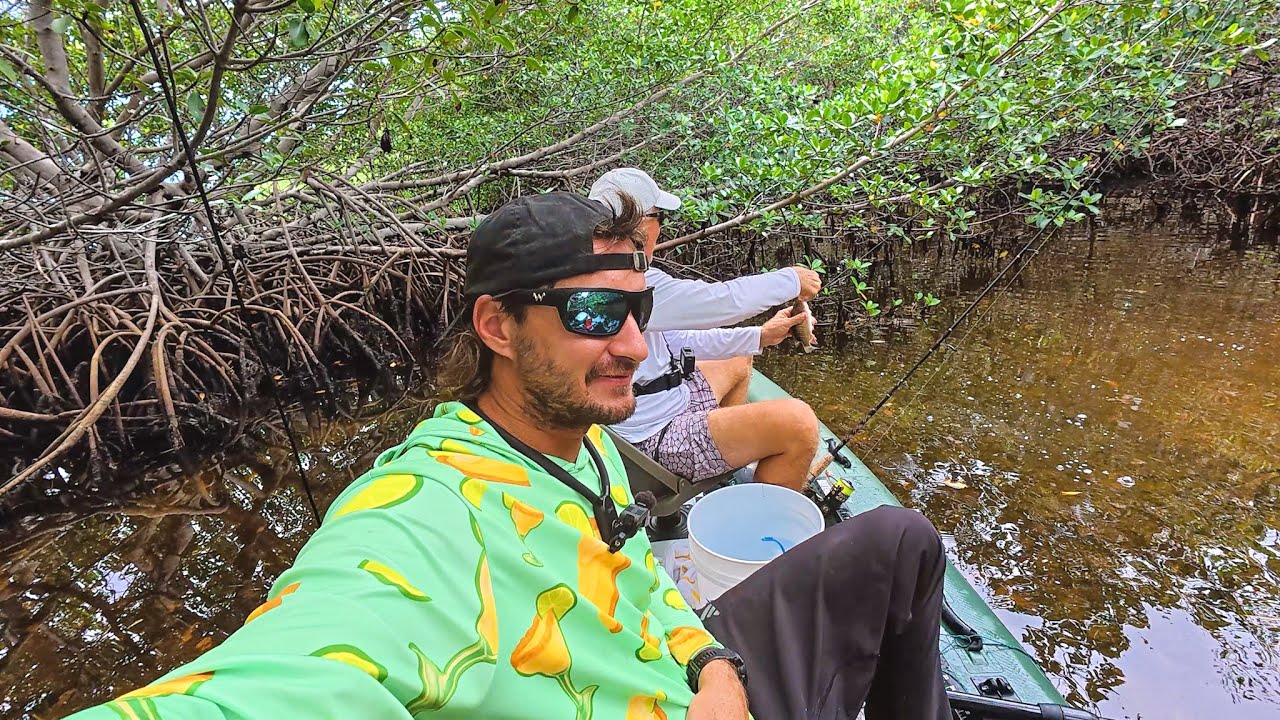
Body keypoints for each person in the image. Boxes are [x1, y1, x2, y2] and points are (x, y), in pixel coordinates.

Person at [68, 191, 950, 720]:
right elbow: (298, 665)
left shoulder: (587, 442)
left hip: (689, 679)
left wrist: (713, 666)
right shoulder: (422, 507)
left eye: (638, 311)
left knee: (900, 540)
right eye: (594, 316)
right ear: (497, 325)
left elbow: (640, 576)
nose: (633, 346)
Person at [589, 168, 821, 490]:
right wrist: (792, 280)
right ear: (640, 223)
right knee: (799, 424)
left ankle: (726, 457)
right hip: (652, 438)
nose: (661, 228)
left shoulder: (598, 270)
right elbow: (722, 301)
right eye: (660, 218)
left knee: (739, 358)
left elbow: (676, 341)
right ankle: (752, 505)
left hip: (666, 403)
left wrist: (760, 336)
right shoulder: (629, 283)